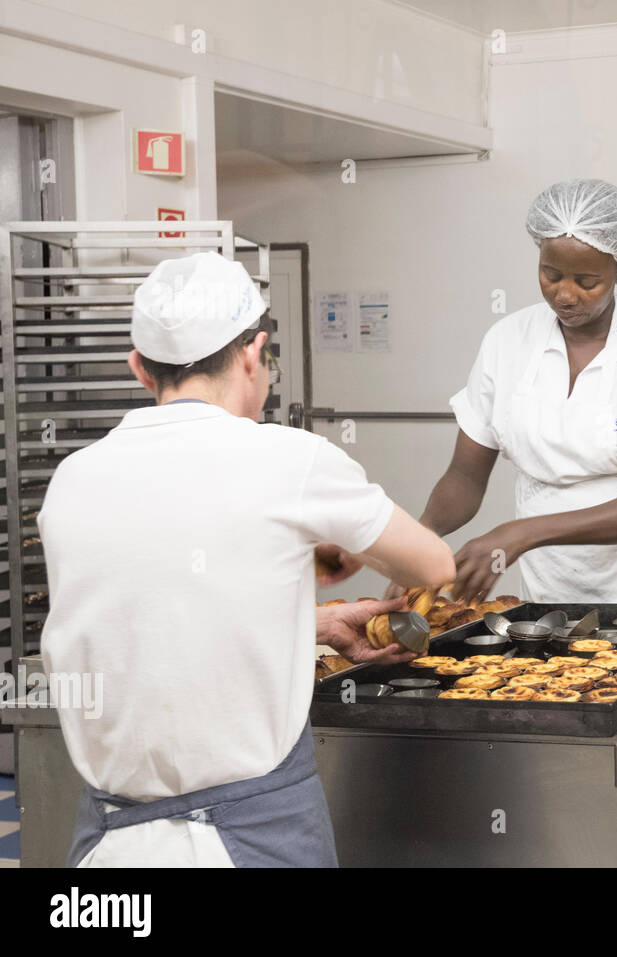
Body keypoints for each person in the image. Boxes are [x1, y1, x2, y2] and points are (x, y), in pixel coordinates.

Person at [38, 252, 455, 867]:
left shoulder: (71, 479)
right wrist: (342, 545)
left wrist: (307, 623)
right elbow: (435, 565)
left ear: (138, 368)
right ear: (254, 354)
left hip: (110, 843)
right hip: (253, 838)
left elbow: (150, 609)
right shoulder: (289, 458)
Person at [410, 178, 617, 604]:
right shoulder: (507, 340)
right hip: (553, 586)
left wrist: (520, 533)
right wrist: (418, 538)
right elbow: (465, 476)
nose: (565, 295)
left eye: (587, 281)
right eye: (550, 275)